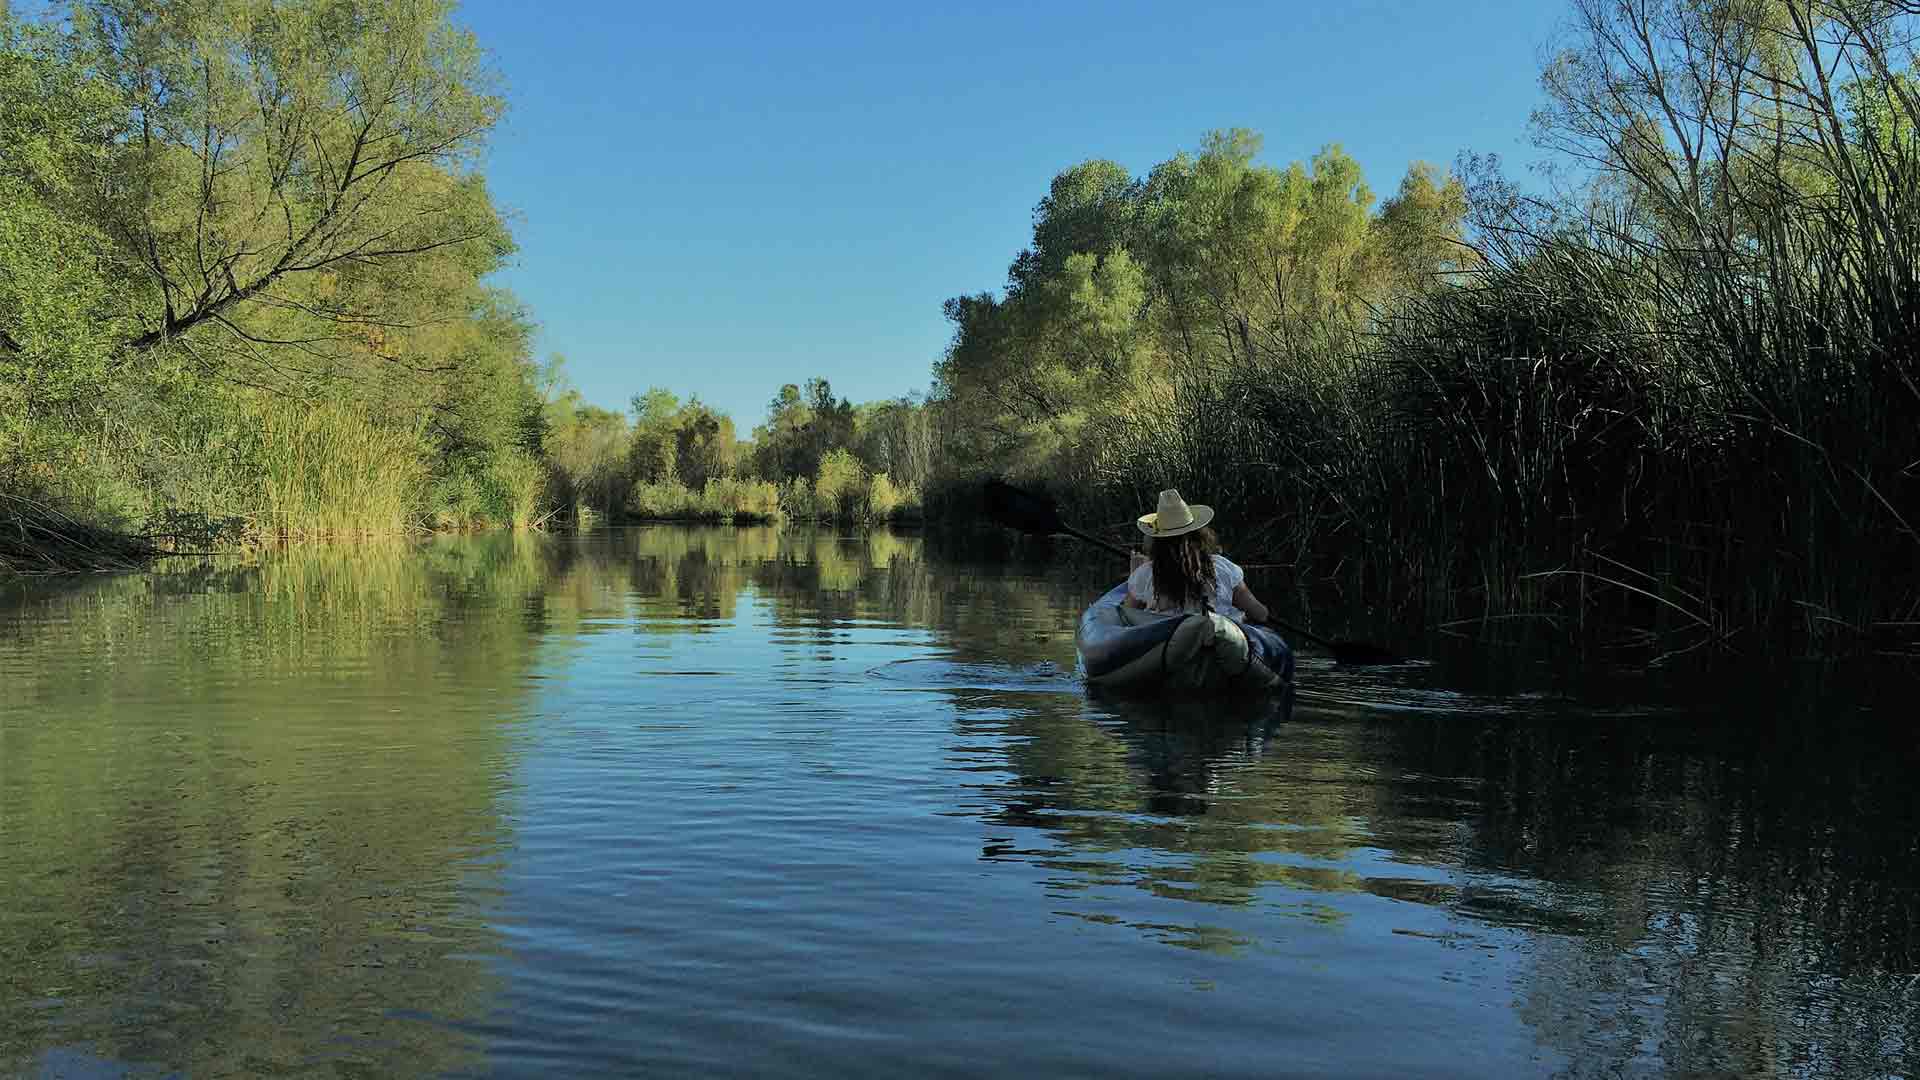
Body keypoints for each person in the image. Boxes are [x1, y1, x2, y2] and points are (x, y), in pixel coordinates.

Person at [1123, 489, 1270, 625]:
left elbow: (1126, 616)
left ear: (1158, 543)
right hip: (1218, 639)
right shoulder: (1222, 567)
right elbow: (1260, 614)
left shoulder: (1145, 573)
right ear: (1200, 536)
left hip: (1171, 645)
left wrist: (1134, 574)